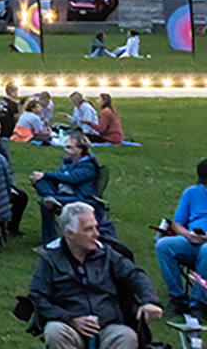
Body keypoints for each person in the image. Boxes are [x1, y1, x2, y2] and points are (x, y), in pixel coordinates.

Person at [28, 201, 161, 349]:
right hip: (69, 325)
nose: (96, 234)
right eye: (88, 229)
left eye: (95, 227)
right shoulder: (50, 258)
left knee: (126, 336)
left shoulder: (107, 254)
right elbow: (37, 296)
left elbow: (135, 275)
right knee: (54, 331)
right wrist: (70, 319)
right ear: (70, 234)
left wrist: (150, 301)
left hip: (107, 326)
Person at [30, 130, 103, 244]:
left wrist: (46, 174)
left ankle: (48, 242)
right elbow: (59, 178)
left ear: (80, 149)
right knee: (42, 182)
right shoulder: (67, 163)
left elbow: (71, 178)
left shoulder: (88, 166)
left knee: (46, 203)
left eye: (69, 147)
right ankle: (51, 199)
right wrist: (41, 179)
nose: (65, 150)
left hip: (80, 198)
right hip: (62, 195)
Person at [155, 159, 207, 314]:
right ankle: (177, 298)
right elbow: (177, 223)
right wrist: (188, 235)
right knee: (163, 245)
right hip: (192, 241)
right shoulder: (191, 193)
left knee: (206, 250)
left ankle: (198, 301)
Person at [0, 116, 29, 236]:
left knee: (22, 197)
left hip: (2, 186)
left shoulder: (1, 149)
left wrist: (10, 186)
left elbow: (7, 170)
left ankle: (11, 227)